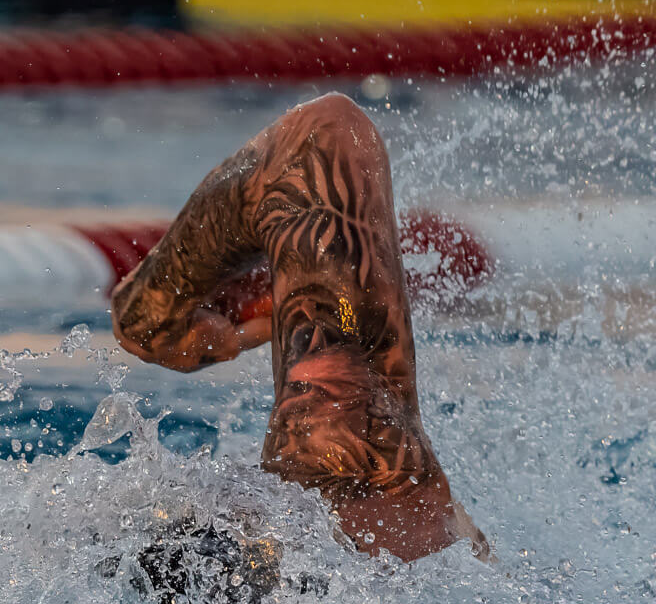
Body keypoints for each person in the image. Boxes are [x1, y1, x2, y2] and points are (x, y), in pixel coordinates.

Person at [111, 93, 490, 566]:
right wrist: (151, 311)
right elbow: (321, 137)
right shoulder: (354, 446)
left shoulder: (315, 489)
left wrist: (151, 314)